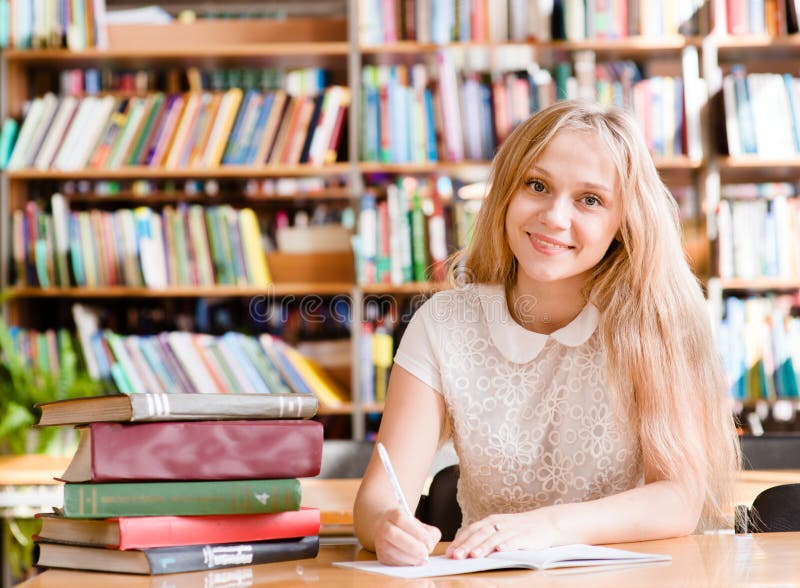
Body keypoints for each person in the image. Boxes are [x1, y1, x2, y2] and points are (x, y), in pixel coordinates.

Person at [353, 100, 740, 566]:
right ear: (506, 194)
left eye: (590, 200)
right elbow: (377, 498)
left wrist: (549, 526)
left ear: (624, 222)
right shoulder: (443, 324)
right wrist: (385, 526)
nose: (555, 217)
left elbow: (679, 499)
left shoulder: (659, 319)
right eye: (537, 186)